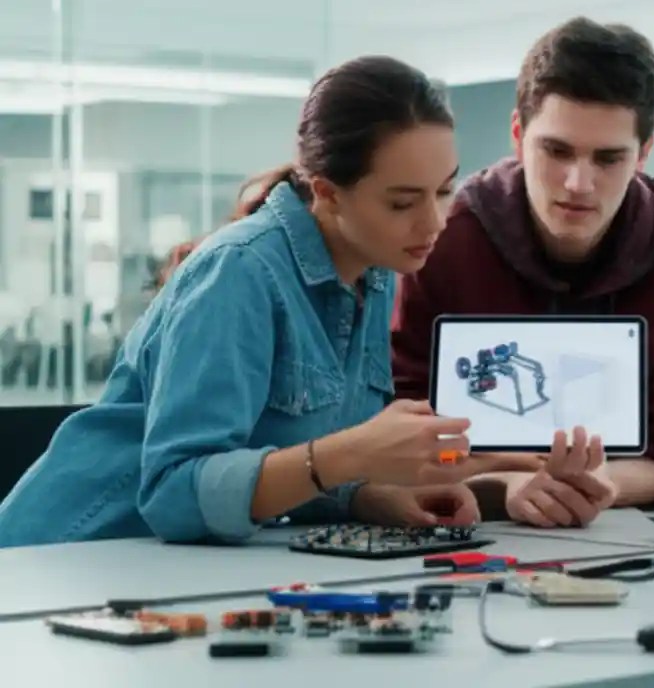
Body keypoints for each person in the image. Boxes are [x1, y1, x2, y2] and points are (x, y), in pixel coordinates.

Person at [0, 55, 502, 548]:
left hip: (169, 576)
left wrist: (366, 498)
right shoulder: (239, 272)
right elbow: (174, 494)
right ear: (327, 194)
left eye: (443, 190)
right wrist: (349, 455)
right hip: (64, 558)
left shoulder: (376, 269)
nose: (434, 222)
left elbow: (284, 461)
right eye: (402, 202)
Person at [392, 17, 654, 527]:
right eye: (556, 151)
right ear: (518, 135)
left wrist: (603, 485)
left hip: (623, 529)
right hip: (468, 521)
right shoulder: (446, 235)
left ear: (644, 153)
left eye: (609, 158)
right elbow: (402, 429)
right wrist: (500, 483)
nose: (579, 183)